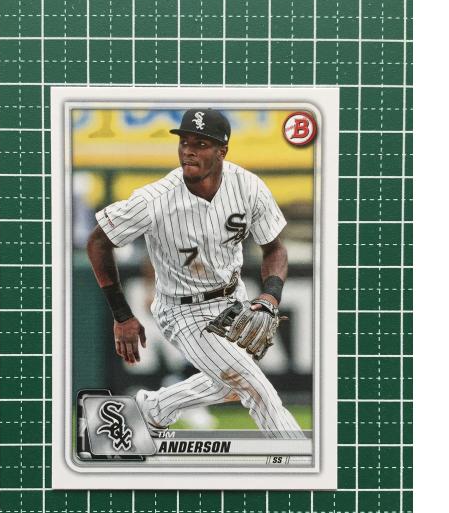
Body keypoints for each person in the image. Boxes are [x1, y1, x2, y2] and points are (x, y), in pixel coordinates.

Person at [86, 108, 305, 439]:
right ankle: (295, 454)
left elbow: (274, 249)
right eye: (184, 142)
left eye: (201, 144)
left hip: (233, 299)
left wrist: (270, 295)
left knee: (228, 382)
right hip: (183, 308)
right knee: (252, 385)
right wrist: (122, 315)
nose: (189, 150)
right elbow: (98, 242)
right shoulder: (155, 199)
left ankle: (152, 410)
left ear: (222, 151)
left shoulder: (248, 187)